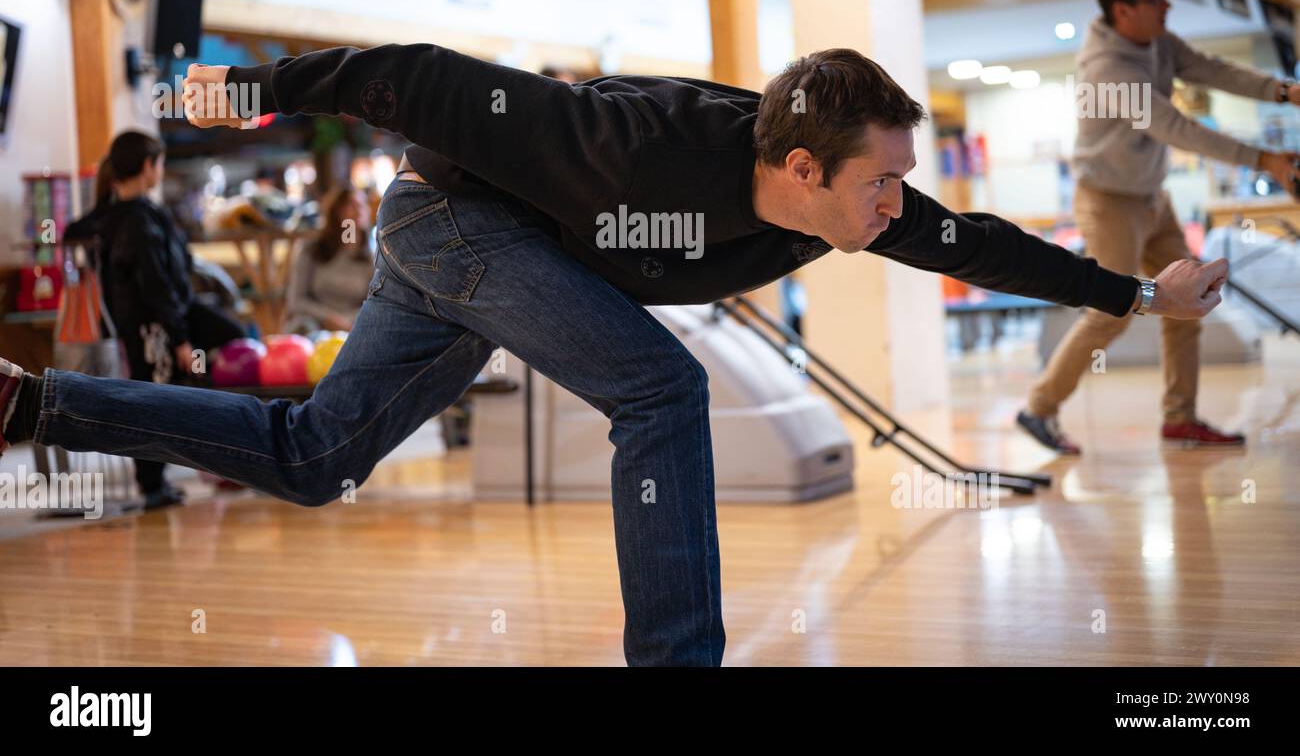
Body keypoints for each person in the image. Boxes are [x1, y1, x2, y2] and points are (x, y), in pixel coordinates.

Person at [1, 46, 1231, 666]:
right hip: (448, 219)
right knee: (661, 387)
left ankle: (34, 407)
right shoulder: (629, 142)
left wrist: (1136, 289)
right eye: (880, 184)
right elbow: (417, 80)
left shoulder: (850, 200)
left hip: (503, 256)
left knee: (317, 454)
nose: (896, 208)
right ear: (804, 168)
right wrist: (252, 90)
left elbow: (987, 241)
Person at [1016, 0, 1300, 455]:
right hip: (1109, 200)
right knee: (1113, 310)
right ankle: (1038, 407)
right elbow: (1177, 129)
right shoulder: (1107, 69)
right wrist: (1264, 159)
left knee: (1190, 298)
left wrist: (1283, 91)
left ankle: (1180, 419)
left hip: (1153, 196)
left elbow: (1215, 70)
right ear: (1123, 11)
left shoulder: (1162, 42)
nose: (1167, 6)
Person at [62, 131, 247, 508]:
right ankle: (153, 484)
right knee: (150, 397)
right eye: (159, 163)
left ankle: (204, 463)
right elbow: (155, 285)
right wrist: (180, 340)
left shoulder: (129, 214)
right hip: (153, 325)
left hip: (167, 316)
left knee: (228, 340)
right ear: (149, 167)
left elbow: (73, 231)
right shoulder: (135, 221)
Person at [284, 186, 375, 334]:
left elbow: (375, 303)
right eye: (351, 205)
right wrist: (327, 318)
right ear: (336, 212)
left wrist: (347, 321)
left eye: (362, 205)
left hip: (355, 325)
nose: (359, 210)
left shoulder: (373, 257)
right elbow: (296, 300)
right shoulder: (311, 250)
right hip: (313, 323)